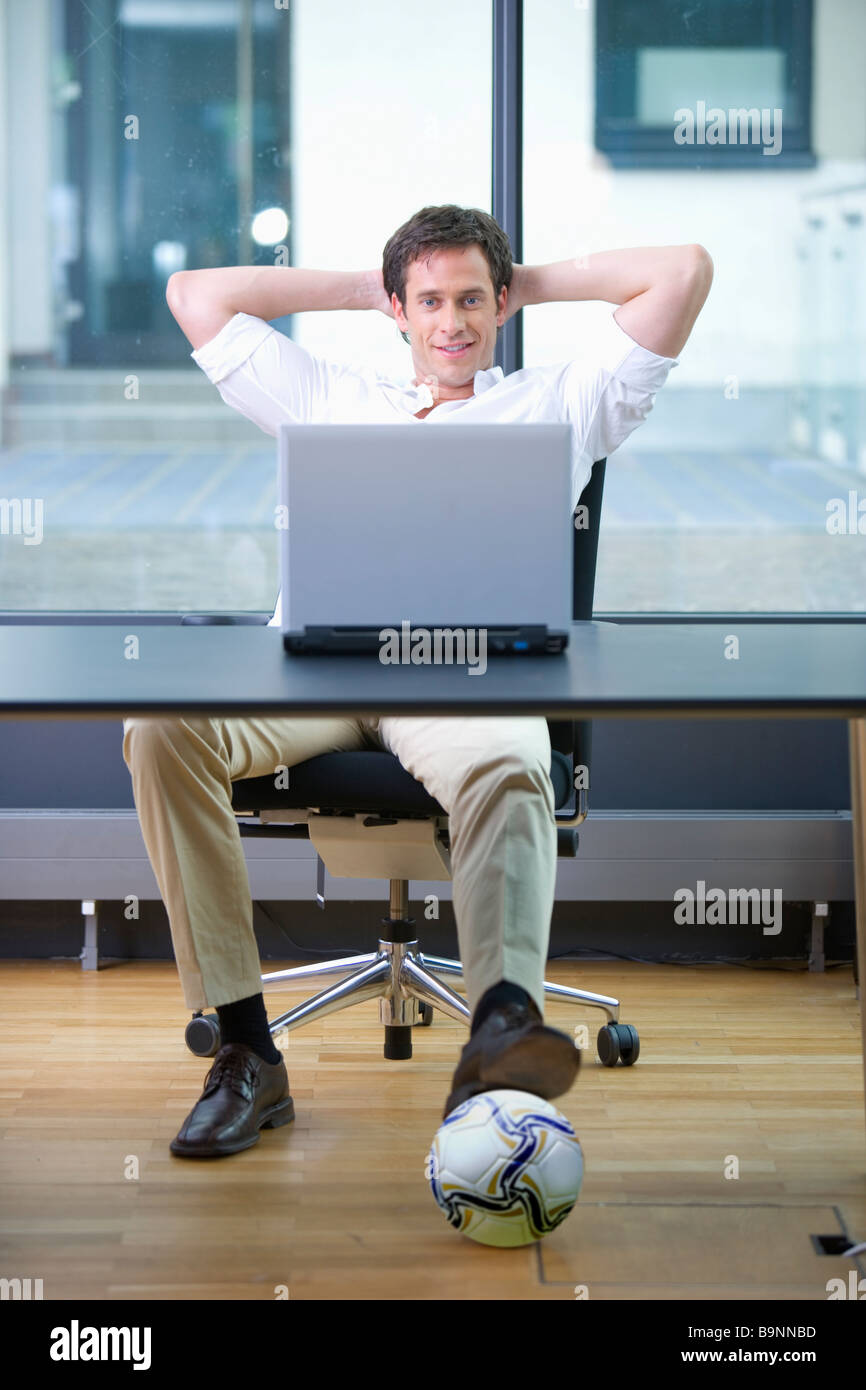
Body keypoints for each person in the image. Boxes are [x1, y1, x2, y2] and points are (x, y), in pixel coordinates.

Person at [123, 204, 712, 1157]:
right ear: (398, 309)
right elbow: (197, 294)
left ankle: (499, 1035)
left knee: (514, 762)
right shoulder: (325, 394)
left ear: (501, 305)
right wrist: (373, 289)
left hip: (458, 683)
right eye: (430, 301)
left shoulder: (562, 404)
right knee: (161, 729)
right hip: (311, 677)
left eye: (472, 300)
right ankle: (244, 1048)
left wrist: (520, 280)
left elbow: (682, 267)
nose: (452, 322)